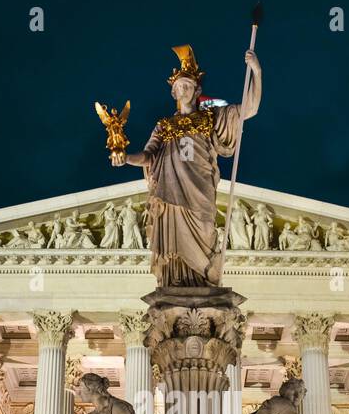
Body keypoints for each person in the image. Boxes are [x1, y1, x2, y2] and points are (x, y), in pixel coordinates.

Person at [111, 45, 261, 287]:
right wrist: (125, 157)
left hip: (200, 193)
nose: (183, 89)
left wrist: (256, 70)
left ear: (197, 90)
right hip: (171, 196)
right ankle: (177, 284)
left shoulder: (211, 118)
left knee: (205, 230)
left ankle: (203, 281)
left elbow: (250, 108)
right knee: (174, 251)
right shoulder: (164, 126)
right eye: (179, 86)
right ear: (173, 92)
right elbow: (149, 156)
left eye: (188, 86)